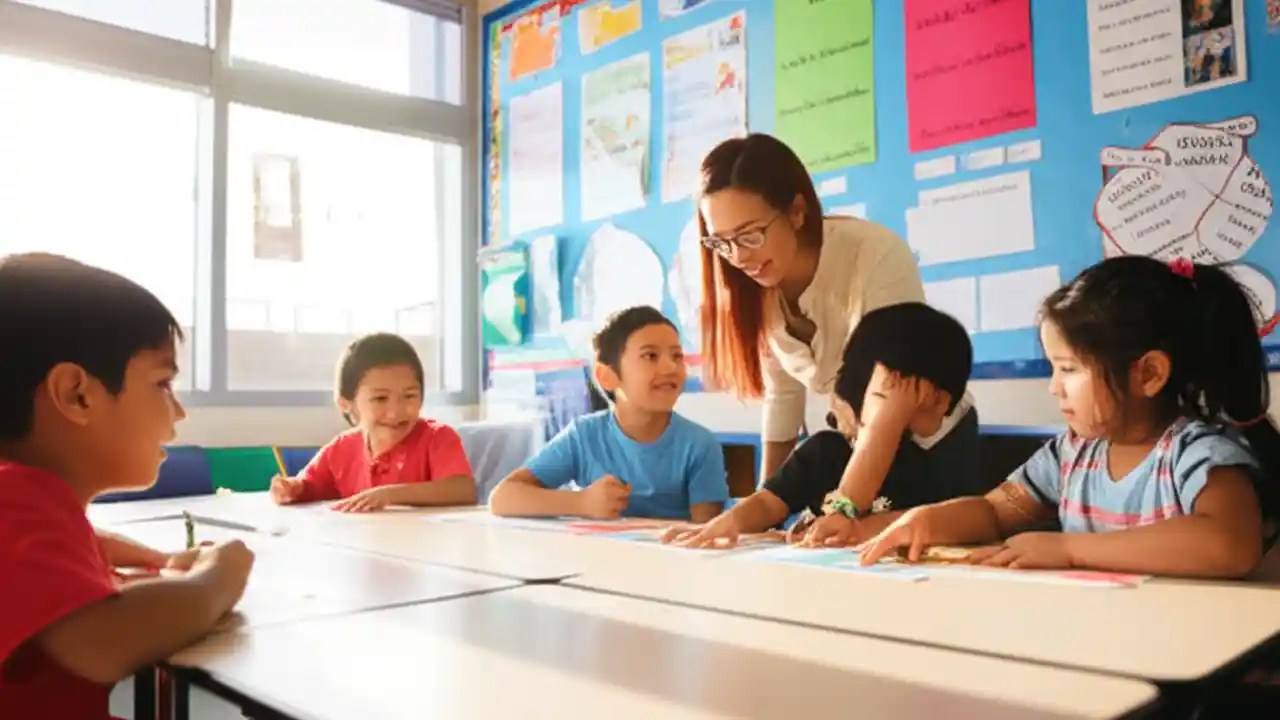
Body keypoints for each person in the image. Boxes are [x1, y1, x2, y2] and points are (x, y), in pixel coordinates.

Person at [861, 256, 1280, 579]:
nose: (1054, 387)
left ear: (1149, 374)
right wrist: (927, 520)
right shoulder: (1073, 453)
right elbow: (993, 512)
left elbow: (1229, 544)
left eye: (1069, 369)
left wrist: (1068, 549)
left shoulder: (1197, 453)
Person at [0, 253, 253, 718]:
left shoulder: (20, 508)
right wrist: (218, 578)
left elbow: (54, 551)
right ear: (77, 395)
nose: (179, 412)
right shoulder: (16, 496)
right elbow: (102, 641)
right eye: (162, 384)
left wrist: (144, 558)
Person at [696, 134, 961, 490]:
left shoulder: (873, 255)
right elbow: (783, 396)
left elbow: (891, 396)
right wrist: (766, 499)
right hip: (856, 442)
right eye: (721, 242)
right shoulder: (757, 286)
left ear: (796, 211)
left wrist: (844, 505)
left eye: (750, 235)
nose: (738, 257)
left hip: (926, 442)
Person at [664, 303, 984, 548]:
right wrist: (730, 521)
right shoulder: (825, 451)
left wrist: (856, 528)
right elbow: (768, 502)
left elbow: (938, 520)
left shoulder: (937, 462)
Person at [489, 306, 728, 521]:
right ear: (607, 376)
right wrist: (581, 503)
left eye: (677, 356)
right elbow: (502, 498)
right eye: (650, 356)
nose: (670, 367)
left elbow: (706, 534)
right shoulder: (583, 436)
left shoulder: (699, 445)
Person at [270, 333, 476, 512]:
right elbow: (309, 487)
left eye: (409, 396)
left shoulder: (438, 437)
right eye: (380, 399)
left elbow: (461, 490)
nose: (396, 412)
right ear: (346, 404)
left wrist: (389, 495)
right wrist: (291, 489)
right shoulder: (341, 449)